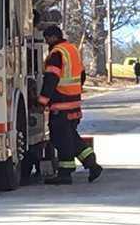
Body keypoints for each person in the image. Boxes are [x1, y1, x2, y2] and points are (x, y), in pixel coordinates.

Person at [38, 26, 103, 185]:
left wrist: (42, 101)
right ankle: (91, 163)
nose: (46, 42)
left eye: (47, 39)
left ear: (53, 37)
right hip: (73, 102)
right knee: (71, 137)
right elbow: (81, 75)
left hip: (61, 105)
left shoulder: (56, 54)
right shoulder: (72, 50)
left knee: (61, 140)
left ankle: (65, 173)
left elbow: (51, 79)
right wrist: (75, 91)